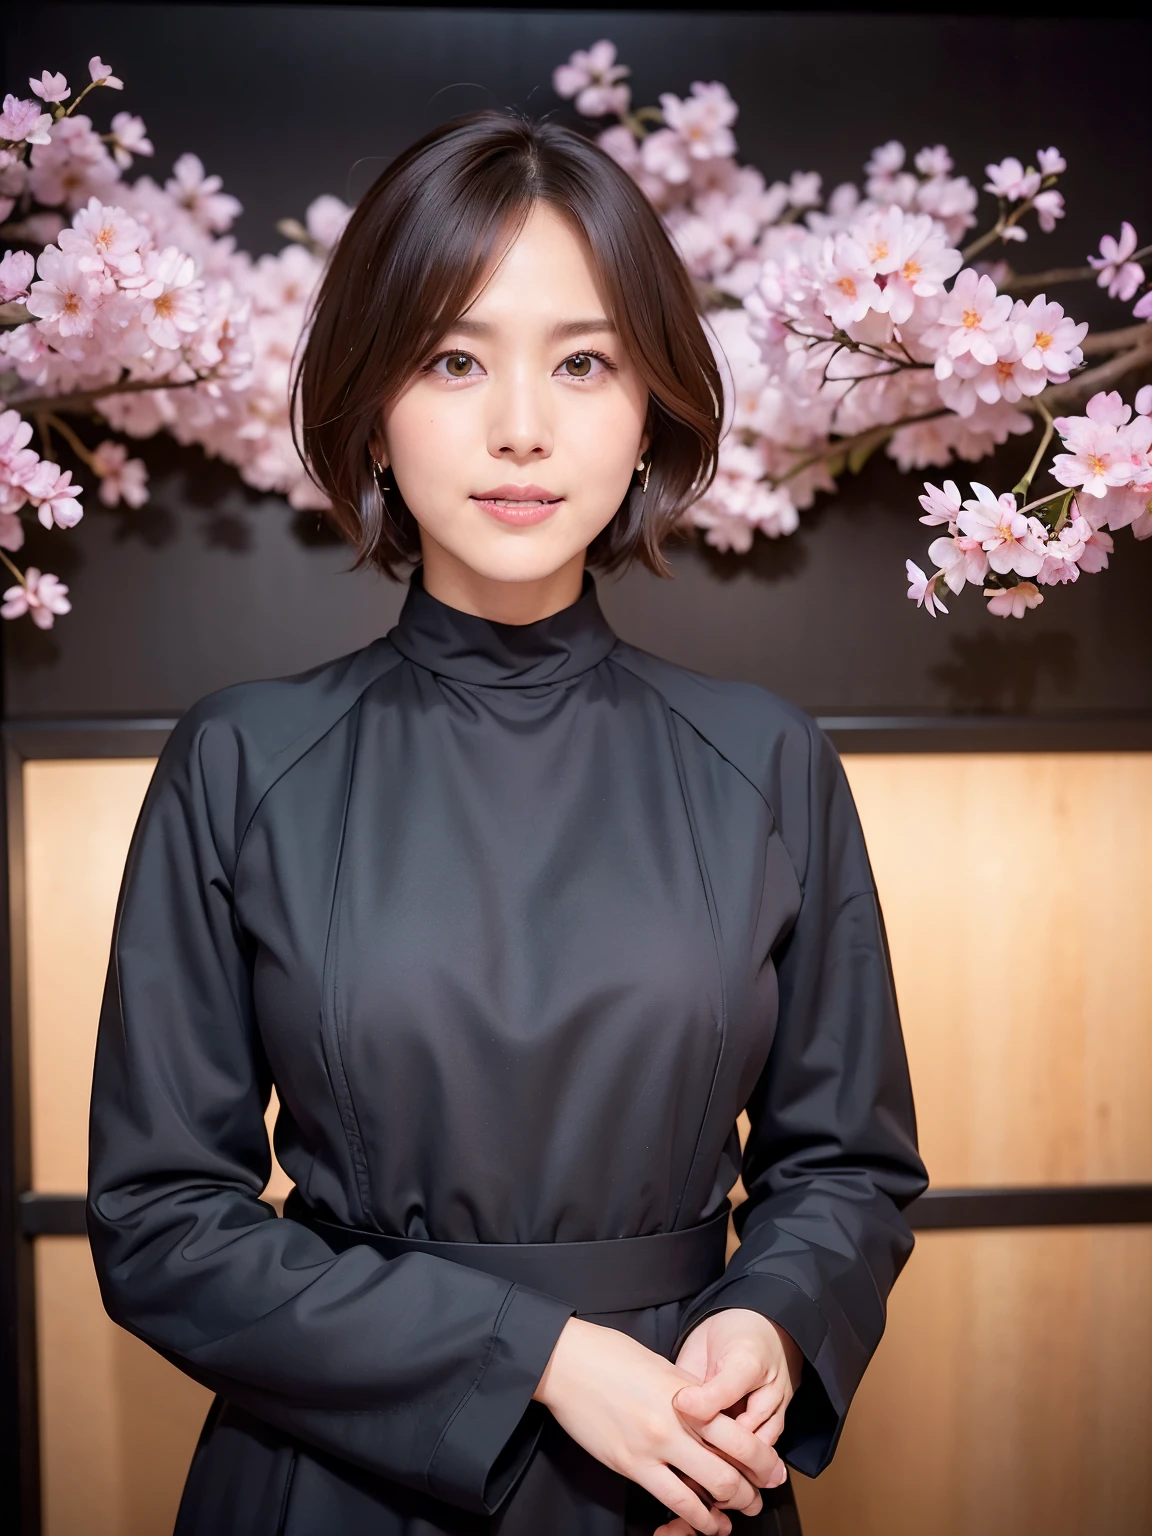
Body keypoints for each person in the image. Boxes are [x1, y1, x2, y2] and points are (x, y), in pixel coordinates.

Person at [87, 109, 928, 1536]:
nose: (522, 426)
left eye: (584, 362)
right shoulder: (243, 759)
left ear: (651, 404)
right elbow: (164, 1221)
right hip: (328, 1474)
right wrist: (529, 1356)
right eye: (454, 358)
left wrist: (774, 1322)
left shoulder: (766, 759)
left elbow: (847, 1161)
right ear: (371, 403)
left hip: (682, 1468)